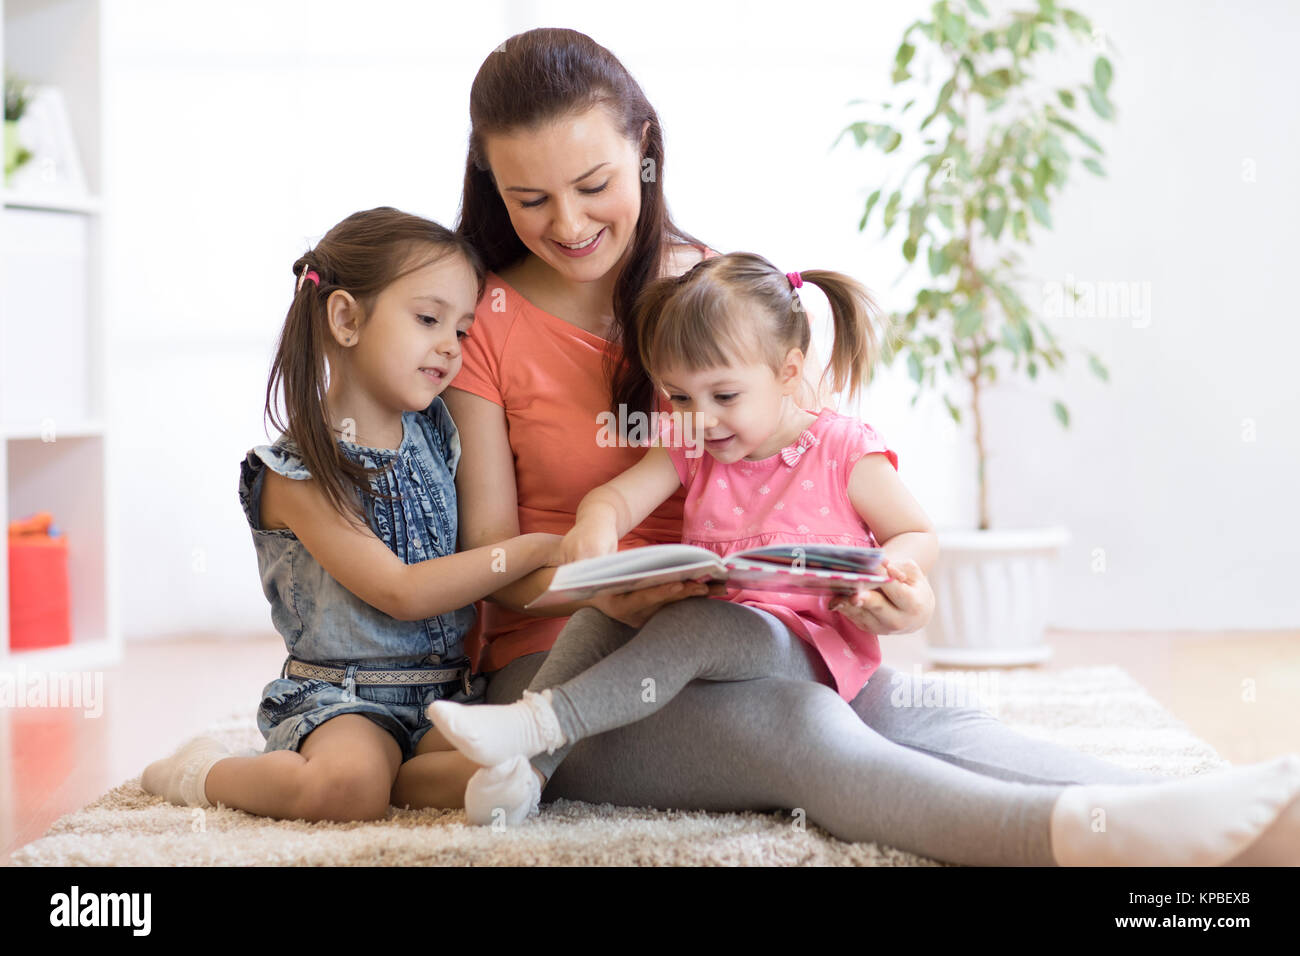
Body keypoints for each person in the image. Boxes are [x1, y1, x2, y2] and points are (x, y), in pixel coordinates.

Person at [434, 27, 1300, 865]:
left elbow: (820, 466)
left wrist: (902, 590)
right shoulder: (488, 324)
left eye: (593, 184)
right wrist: (592, 578)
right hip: (564, 667)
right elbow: (493, 563)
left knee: (915, 711)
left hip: (761, 625)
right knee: (805, 730)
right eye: (530, 199)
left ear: (645, 151)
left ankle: (1194, 815)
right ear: (493, 187)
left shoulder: (716, 295)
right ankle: (1091, 845)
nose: (570, 222)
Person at [429, 251, 939, 819]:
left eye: (724, 397)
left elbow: (915, 531)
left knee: (699, 623)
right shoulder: (693, 446)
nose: (702, 419)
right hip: (721, 637)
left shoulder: (843, 449)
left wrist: (894, 576)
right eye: (678, 398)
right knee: (602, 615)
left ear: (788, 373)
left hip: (810, 650)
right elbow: (616, 497)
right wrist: (597, 529)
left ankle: (536, 722)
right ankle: (527, 774)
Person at [140, 207, 560, 822]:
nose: (450, 346)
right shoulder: (297, 473)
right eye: (427, 319)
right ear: (345, 318)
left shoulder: (437, 433)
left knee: (526, 754)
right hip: (343, 699)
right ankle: (204, 770)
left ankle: (404, 772)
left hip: (444, 690)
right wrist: (535, 547)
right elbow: (401, 591)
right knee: (348, 792)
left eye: (463, 331)